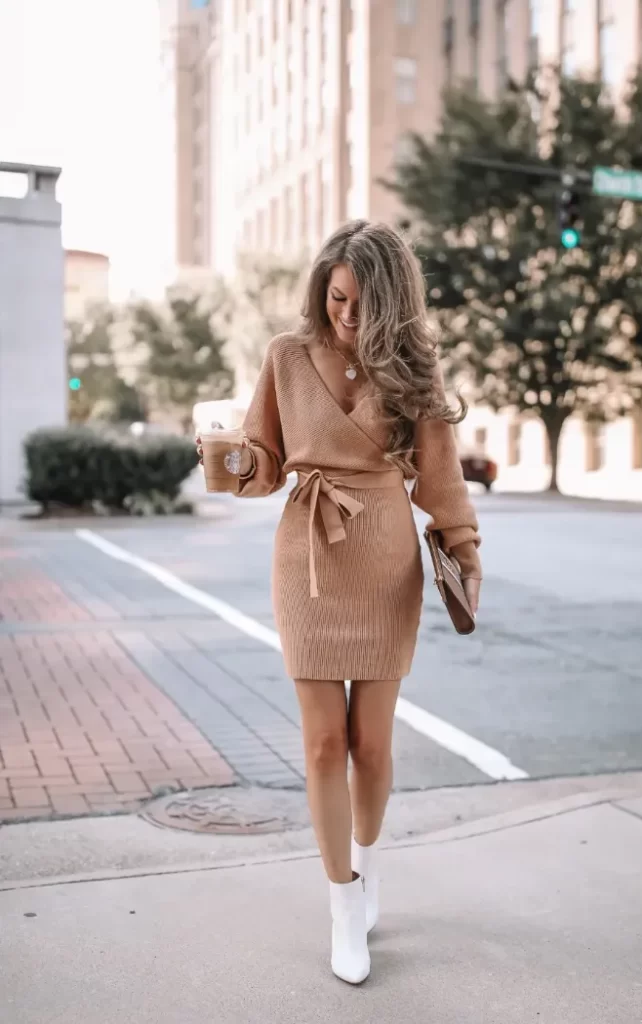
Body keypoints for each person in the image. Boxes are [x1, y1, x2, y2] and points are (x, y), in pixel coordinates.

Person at [196, 220, 481, 985]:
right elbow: (262, 460)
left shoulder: (413, 366)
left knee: (373, 746)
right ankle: (341, 903)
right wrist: (229, 457)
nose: (347, 315)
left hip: (385, 560)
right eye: (337, 297)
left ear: (391, 302)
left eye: (361, 302)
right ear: (323, 290)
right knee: (324, 744)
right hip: (307, 558)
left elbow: (440, 477)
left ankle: (367, 861)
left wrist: (463, 548)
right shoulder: (286, 357)